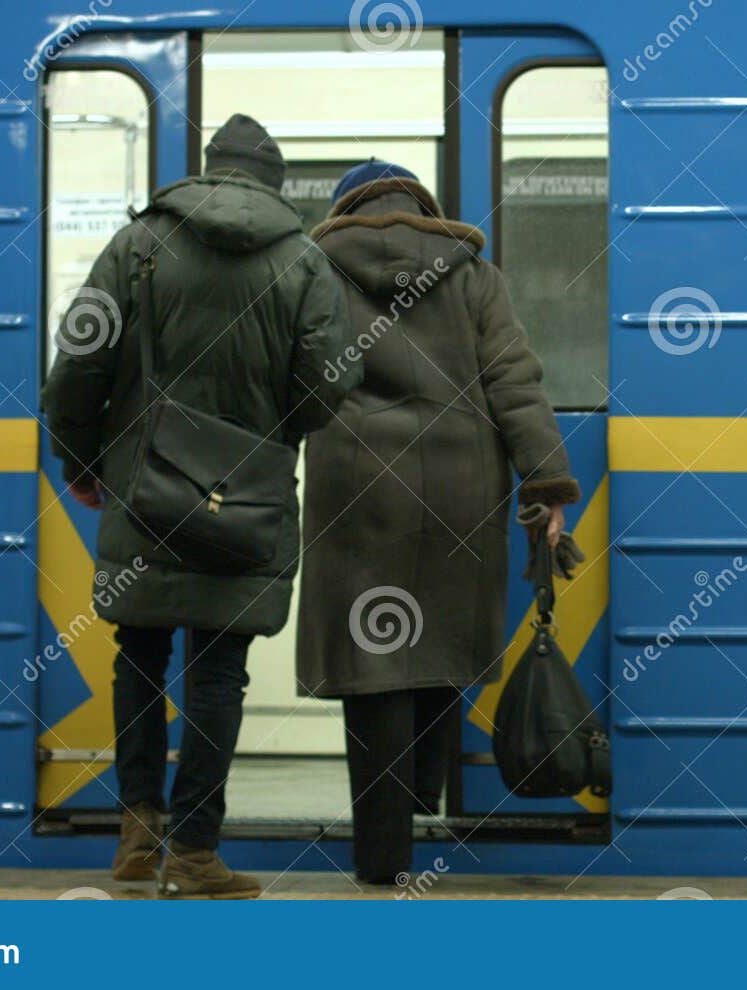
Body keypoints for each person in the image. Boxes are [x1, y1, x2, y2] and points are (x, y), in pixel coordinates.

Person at [42, 115, 360, 898]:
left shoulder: (138, 245)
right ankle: (194, 852)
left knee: (139, 657)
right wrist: (268, 426)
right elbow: (328, 386)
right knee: (219, 672)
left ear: (208, 170)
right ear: (274, 183)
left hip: (143, 484)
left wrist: (81, 460)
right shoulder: (304, 262)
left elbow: (81, 359)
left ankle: (136, 832)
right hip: (244, 496)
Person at [296, 160, 579, 884]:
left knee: (373, 664)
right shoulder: (474, 275)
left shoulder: (314, 272)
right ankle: (425, 793)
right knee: (440, 640)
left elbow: (294, 379)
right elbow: (515, 381)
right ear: (422, 204)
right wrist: (546, 483)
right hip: (460, 486)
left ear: (343, 207)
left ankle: (382, 858)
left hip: (356, 489)